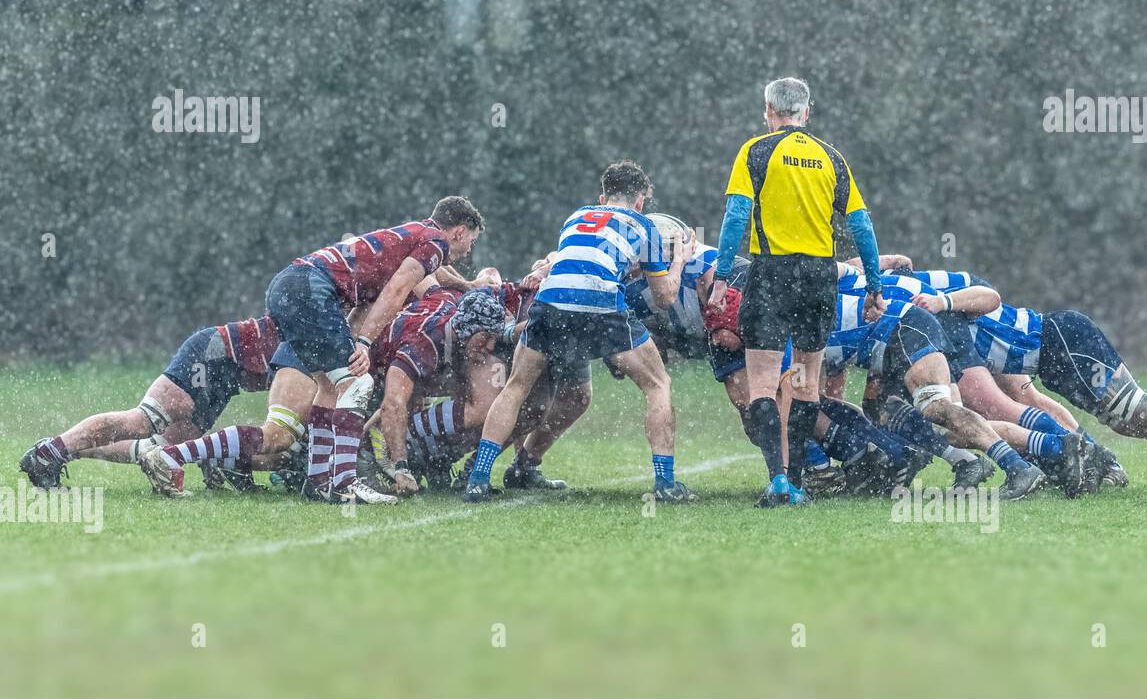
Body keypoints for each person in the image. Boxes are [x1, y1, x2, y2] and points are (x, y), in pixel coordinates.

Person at [138, 197, 483, 502]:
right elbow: (397, 289)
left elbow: (417, 282)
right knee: (352, 386)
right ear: (460, 230)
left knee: (324, 397)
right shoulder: (433, 242)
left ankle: (319, 481)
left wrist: (468, 285)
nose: (469, 250)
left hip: (296, 285)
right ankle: (343, 483)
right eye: (471, 240)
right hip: (311, 293)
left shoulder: (417, 236)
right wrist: (362, 343)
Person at [462, 160, 697, 502]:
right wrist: (680, 259)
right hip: (600, 303)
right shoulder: (644, 224)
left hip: (551, 301)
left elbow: (587, 257)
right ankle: (665, 484)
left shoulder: (576, 216)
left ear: (602, 196)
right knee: (658, 384)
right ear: (640, 201)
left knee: (516, 386)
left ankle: (478, 480)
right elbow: (664, 297)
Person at [709, 76, 884, 508]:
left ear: (770, 111)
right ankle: (801, 484)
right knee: (807, 384)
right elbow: (861, 225)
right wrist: (874, 287)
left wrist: (721, 275)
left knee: (764, 384)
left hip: (771, 273)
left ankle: (779, 480)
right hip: (820, 276)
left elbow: (736, 216)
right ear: (806, 113)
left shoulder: (756, 150)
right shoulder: (832, 157)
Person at [971, 298, 1147, 491]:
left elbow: (987, 294)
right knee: (1125, 423)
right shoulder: (944, 325)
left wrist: (941, 300)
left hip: (1062, 339)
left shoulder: (932, 298)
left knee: (1138, 409)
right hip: (1051, 361)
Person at [20, 314, 283, 495]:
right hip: (212, 354)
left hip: (228, 378)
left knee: (156, 450)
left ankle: (66, 450)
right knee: (144, 421)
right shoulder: (312, 318)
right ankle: (45, 454)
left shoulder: (317, 322)